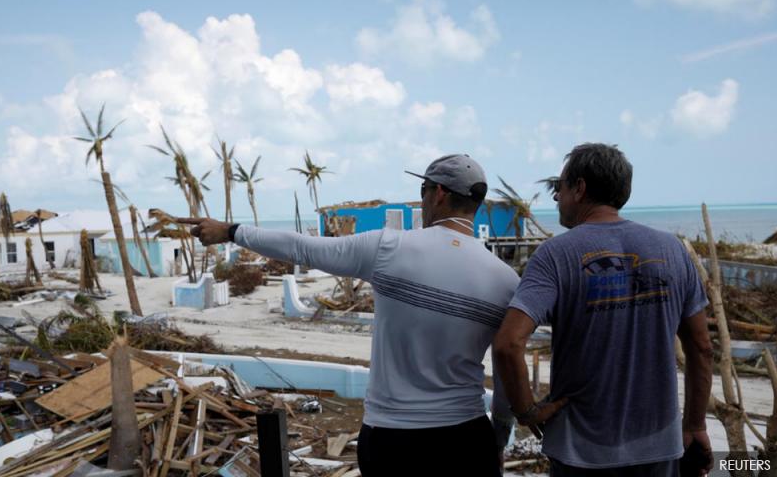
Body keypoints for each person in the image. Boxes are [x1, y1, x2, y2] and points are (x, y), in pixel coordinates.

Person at [179, 154, 519, 476]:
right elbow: (507, 364)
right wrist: (500, 435)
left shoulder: (388, 249)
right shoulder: (506, 280)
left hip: (393, 438)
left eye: (423, 191)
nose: (423, 200)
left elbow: (301, 247)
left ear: (440, 194)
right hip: (467, 437)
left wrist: (230, 231)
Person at [493, 143, 714, 476]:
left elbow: (508, 344)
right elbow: (702, 347)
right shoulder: (673, 250)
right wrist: (695, 424)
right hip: (658, 447)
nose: (556, 198)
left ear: (579, 189)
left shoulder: (555, 255)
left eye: (560, 188)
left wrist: (526, 411)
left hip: (580, 451)